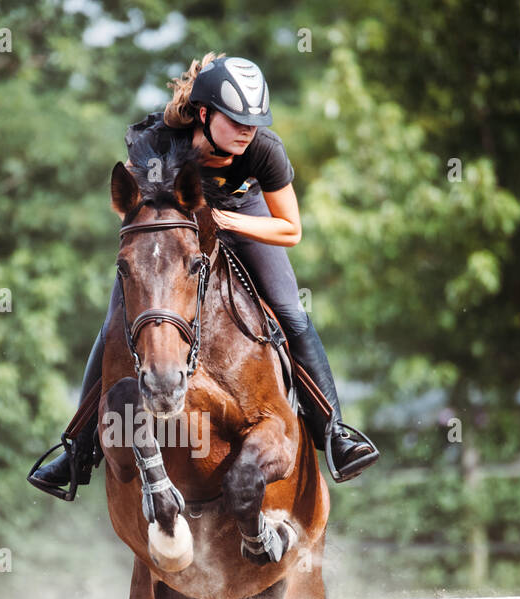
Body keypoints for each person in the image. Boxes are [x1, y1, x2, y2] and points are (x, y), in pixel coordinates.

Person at [29, 53, 378, 499]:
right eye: (235, 120)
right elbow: (142, 211)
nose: (247, 130)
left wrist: (225, 222)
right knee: (115, 320)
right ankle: (78, 449)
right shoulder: (156, 142)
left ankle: (334, 433)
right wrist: (187, 228)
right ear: (204, 113)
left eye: (253, 121)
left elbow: (290, 229)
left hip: (240, 215)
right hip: (175, 227)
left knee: (291, 310)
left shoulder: (264, 149)